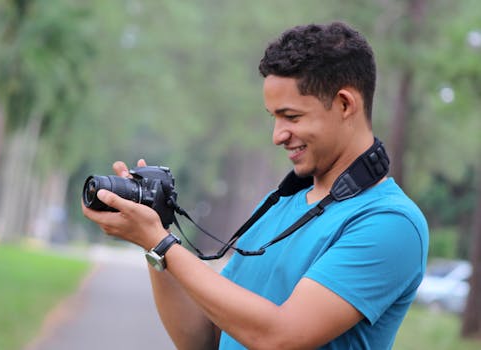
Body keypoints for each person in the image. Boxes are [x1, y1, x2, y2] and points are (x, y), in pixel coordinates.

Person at [83, 21, 429, 349]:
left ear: (344, 104)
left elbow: (280, 337)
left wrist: (161, 243)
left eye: (291, 117)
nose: (278, 135)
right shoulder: (280, 204)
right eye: (274, 117)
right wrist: (154, 236)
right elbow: (202, 341)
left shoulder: (390, 223)